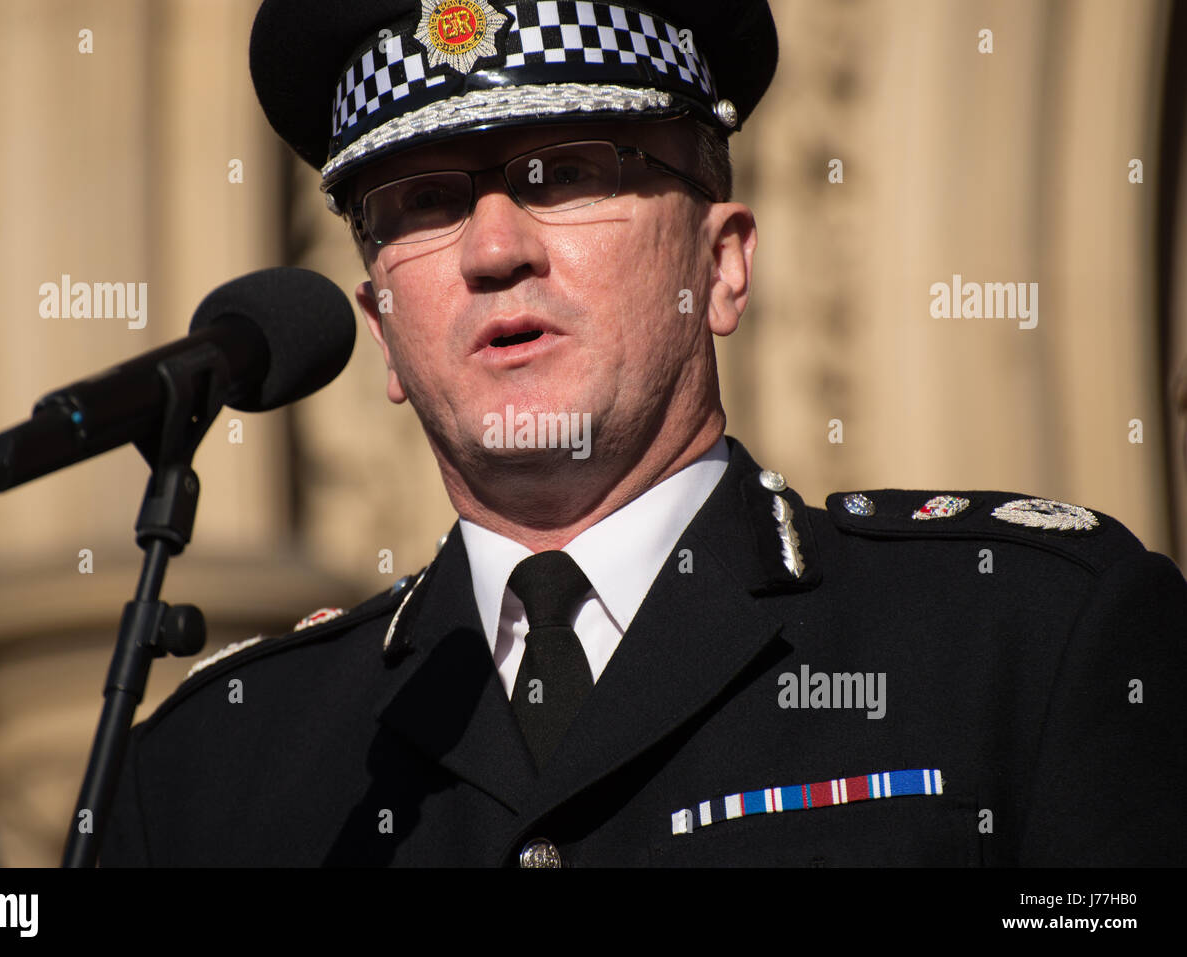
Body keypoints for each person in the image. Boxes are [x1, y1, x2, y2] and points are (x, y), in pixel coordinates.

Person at [99, 0, 1186, 866]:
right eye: (423, 204)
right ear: (381, 328)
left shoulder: (1020, 638)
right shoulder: (217, 765)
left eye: (567, 175)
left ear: (720, 265)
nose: (491, 249)